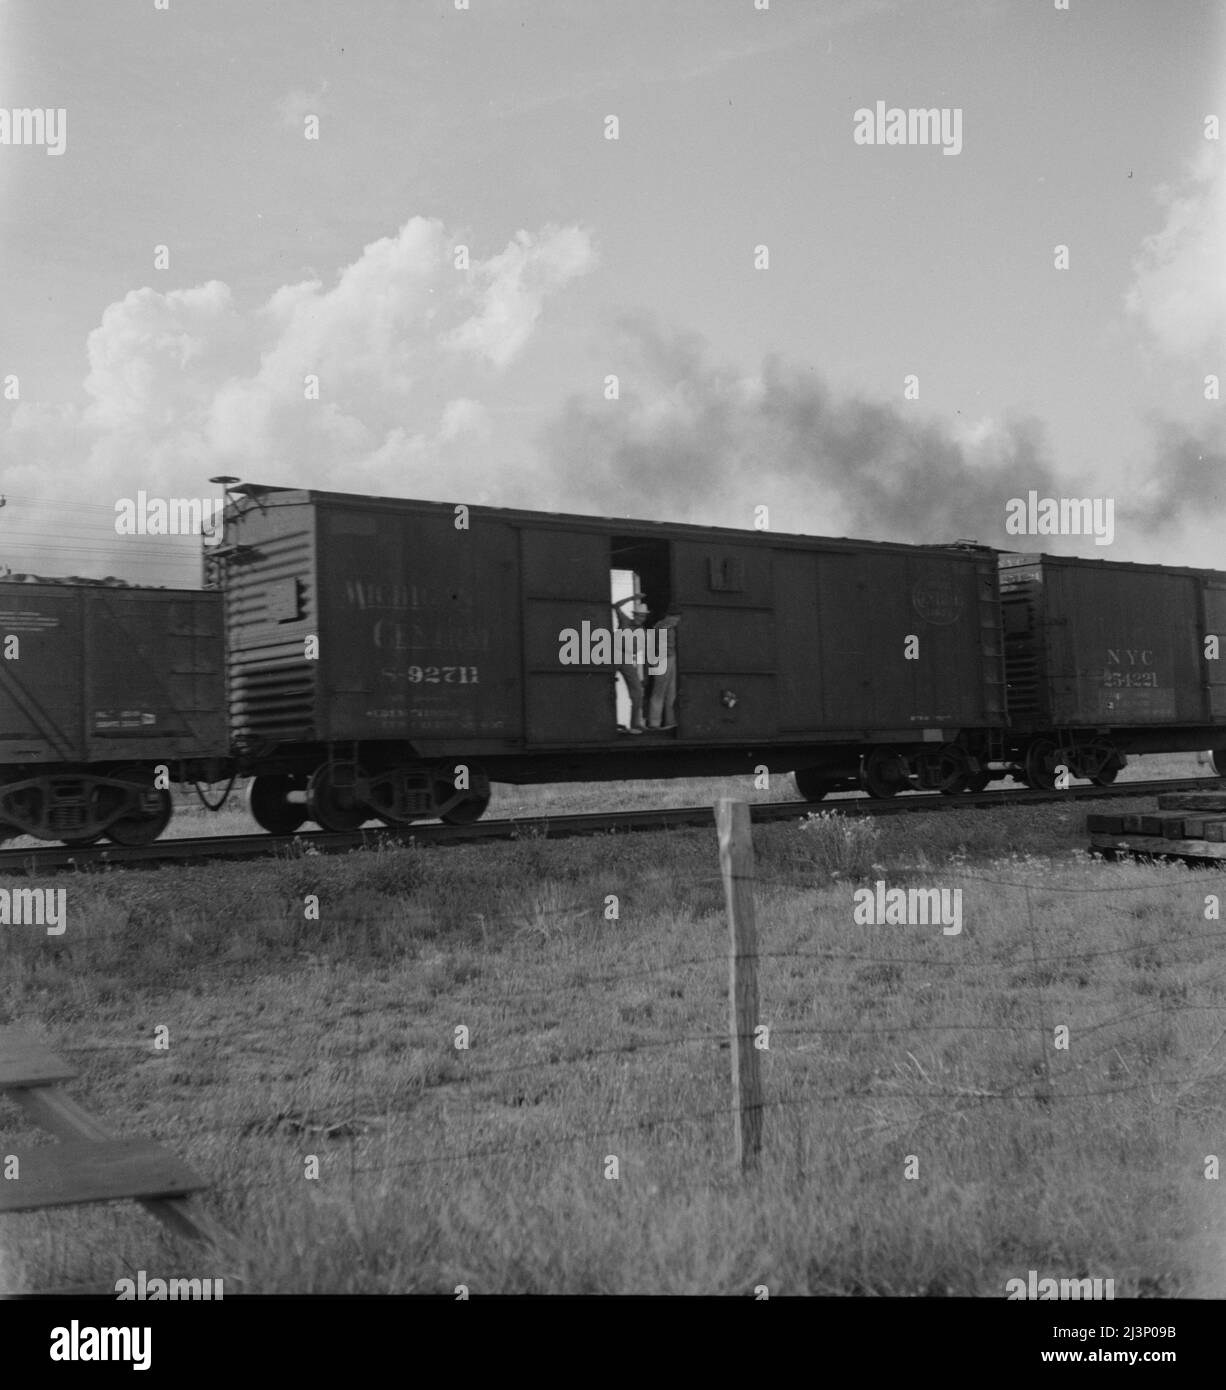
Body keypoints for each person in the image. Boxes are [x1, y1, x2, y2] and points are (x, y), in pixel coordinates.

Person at [611, 592, 648, 733]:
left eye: (642, 616)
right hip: (614, 655)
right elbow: (616, 605)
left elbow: (638, 651)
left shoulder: (642, 631)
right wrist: (632, 598)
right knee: (609, 689)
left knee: (637, 691)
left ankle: (634, 724)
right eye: (638, 615)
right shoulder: (625, 620)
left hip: (626, 658)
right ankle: (611, 723)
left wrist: (641, 674)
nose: (640, 618)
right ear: (635, 615)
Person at [645, 608, 680, 730]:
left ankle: (662, 722)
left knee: (665, 692)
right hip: (665, 658)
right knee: (663, 692)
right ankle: (659, 722)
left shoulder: (661, 626)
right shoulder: (665, 625)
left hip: (665, 658)